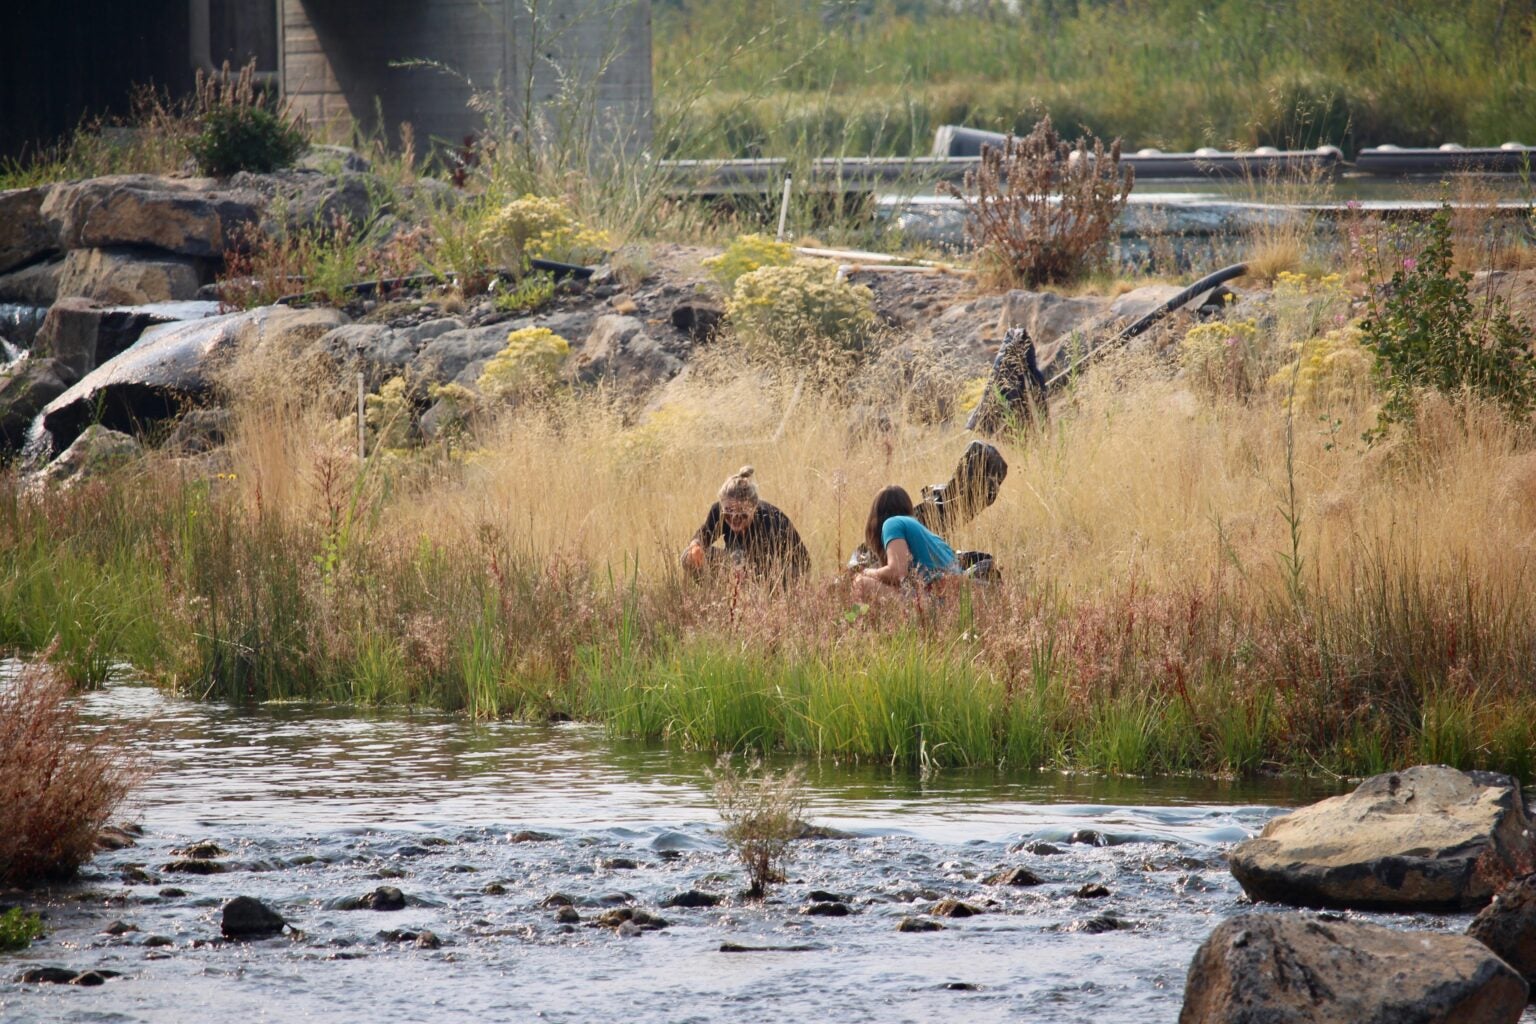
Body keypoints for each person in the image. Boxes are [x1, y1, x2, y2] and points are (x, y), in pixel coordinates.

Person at [682, 466, 810, 585]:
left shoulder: (768, 521)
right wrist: (696, 546)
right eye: (728, 513)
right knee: (688, 556)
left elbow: (761, 567)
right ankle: (715, 597)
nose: (734, 518)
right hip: (741, 563)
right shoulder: (718, 511)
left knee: (738, 559)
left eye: (742, 514)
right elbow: (704, 534)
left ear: (754, 507)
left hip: (786, 572)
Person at [853, 484, 960, 601]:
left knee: (861, 582)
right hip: (955, 604)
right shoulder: (932, 537)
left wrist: (868, 572)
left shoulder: (892, 523)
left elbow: (897, 572)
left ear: (876, 515)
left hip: (933, 603)